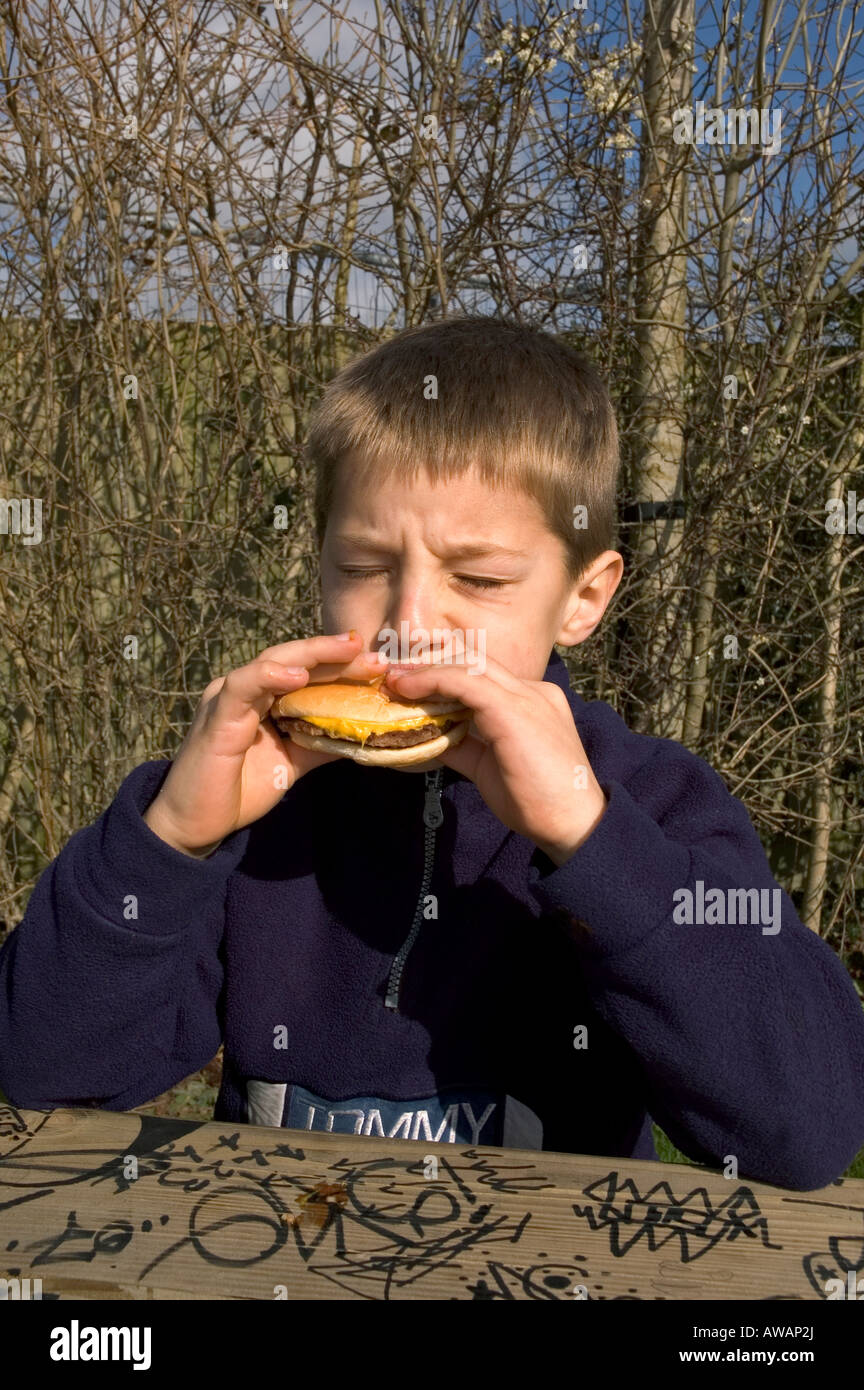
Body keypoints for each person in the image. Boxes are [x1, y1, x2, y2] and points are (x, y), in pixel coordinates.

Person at [1, 315, 863, 1191]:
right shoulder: (246, 807)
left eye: (480, 580)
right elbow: (40, 1081)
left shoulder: (651, 801)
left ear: (584, 597)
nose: (411, 628)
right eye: (366, 564)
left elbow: (807, 1132)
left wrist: (592, 840)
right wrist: (172, 839)